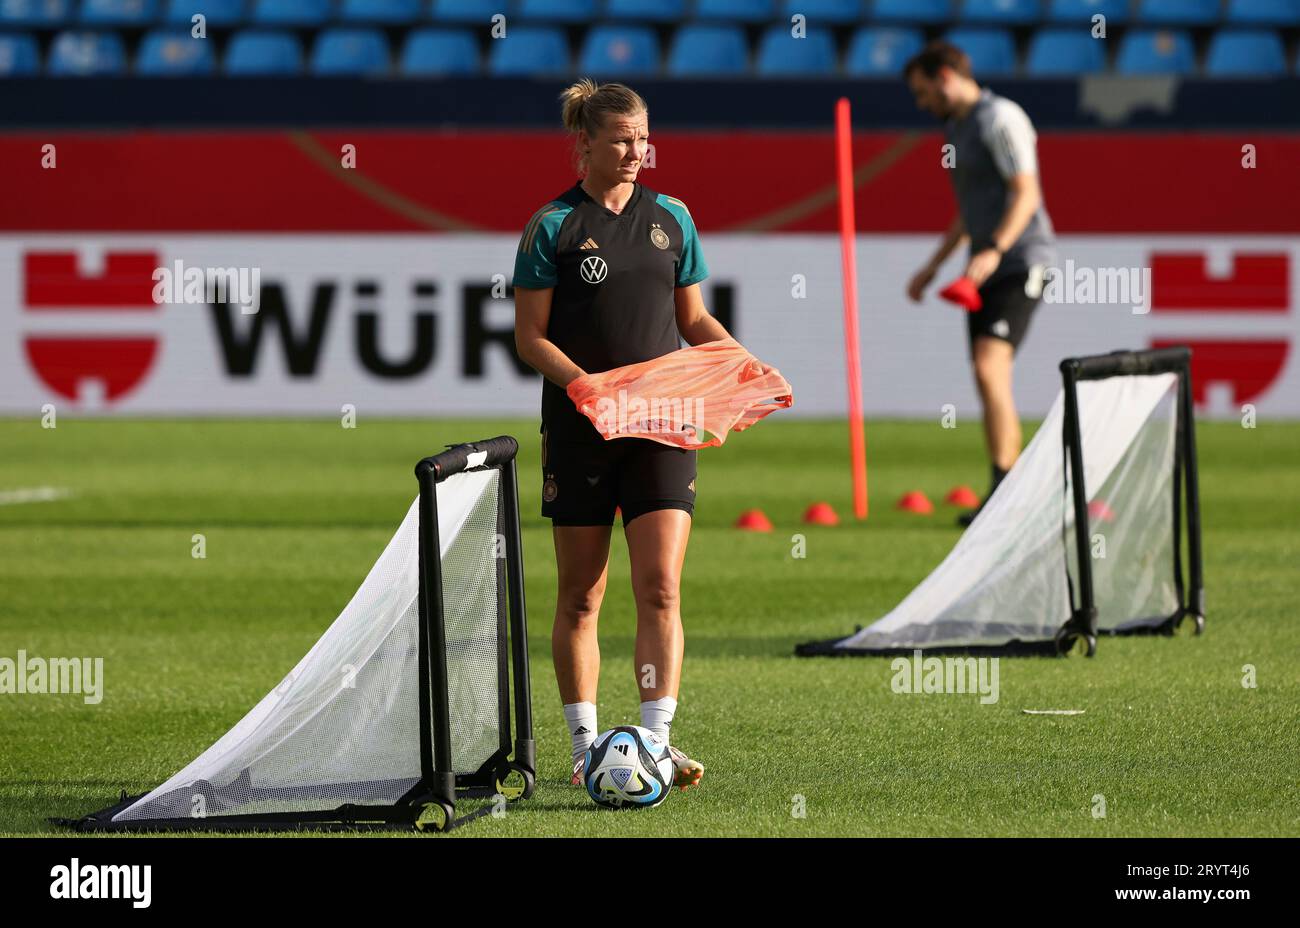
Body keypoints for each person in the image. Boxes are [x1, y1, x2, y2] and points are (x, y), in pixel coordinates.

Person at [512, 78, 757, 791]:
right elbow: (530, 338)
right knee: (583, 596)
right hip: (581, 429)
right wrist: (586, 387)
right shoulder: (551, 226)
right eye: (620, 138)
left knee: (660, 588)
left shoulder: (673, 218)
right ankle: (585, 746)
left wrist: (740, 363)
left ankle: (654, 740)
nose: (635, 151)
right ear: (583, 143)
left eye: (643, 138)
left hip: (660, 424)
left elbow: (695, 321)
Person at [903, 40, 1058, 526]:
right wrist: (934, 265)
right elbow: (968, 215)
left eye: (925, 92)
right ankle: (1006, 488)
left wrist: (995, 248)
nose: (923, 103)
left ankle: (1011, 489)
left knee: (991, 367)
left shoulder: (1000, 118)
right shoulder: (959, 129)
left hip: (1021, 260)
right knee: (986, 371)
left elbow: (1026, 192)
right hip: (984, 266)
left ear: (946, 75)